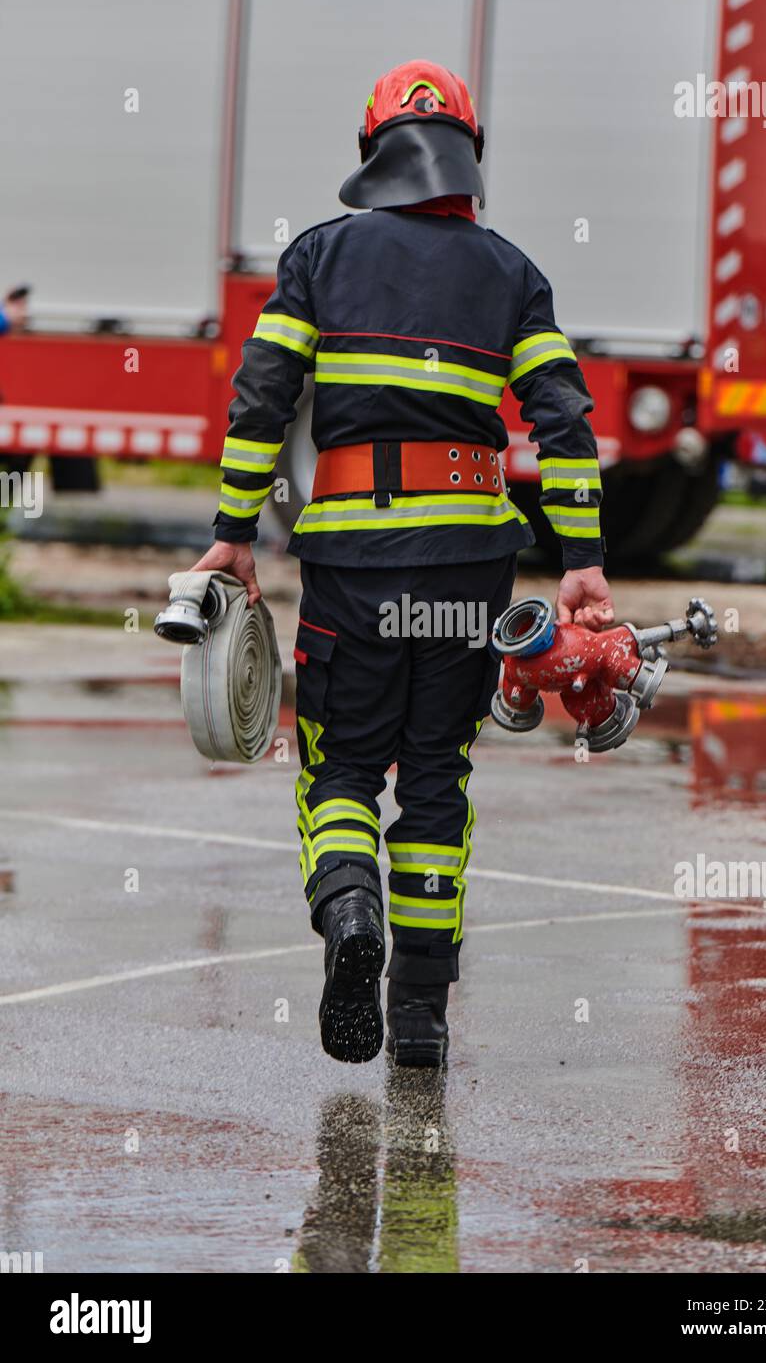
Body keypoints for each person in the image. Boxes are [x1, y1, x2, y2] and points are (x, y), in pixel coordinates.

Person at [192, 60, 614, 1067]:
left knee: (338, 764)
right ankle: (419, 1015)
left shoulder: (317, 259)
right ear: (468, 153)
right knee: (435, 775)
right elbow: (562, 424)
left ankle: (349, 917)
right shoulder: (512, 274)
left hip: (356, 560)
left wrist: (232, 531)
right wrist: (583, 561)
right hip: (470, 563)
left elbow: (259, 402)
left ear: (370, 149)